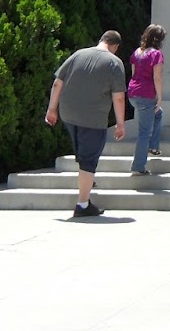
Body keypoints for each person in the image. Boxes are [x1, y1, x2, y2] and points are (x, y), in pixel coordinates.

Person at [45, 31, 127, 218]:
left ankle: (86, 185)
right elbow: (119, 97)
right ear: (115, 46)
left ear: (101, 40)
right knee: (88, 161)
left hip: (68, 114)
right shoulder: (114, 63)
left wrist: (51, 109)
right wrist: (120, 123)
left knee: (83, 156)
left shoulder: (78, 54)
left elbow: (58, 83)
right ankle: (82, 204)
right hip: (93, 119)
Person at [128, 24, 167, 176]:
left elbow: (134, 74)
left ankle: (154, 146)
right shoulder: (156, 54)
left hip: (133, 92)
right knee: (144, 131)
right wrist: (160, 97)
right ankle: (138, 166)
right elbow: (157, 77)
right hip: (146, 94)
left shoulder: (136, 52)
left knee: (158, 114)